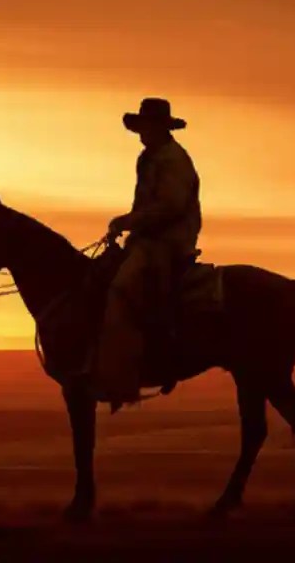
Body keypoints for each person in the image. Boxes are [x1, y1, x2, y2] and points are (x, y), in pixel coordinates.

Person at [97, 97, 202, 412]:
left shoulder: (173, 160)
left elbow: (170, 206)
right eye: (141, 127)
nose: (143, 133)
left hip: (168, 240)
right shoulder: (149, 157)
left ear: (159, 127)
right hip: (147, 238)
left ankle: (127, 374)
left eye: (147, 126)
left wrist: (128, 222)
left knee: (122, 286)